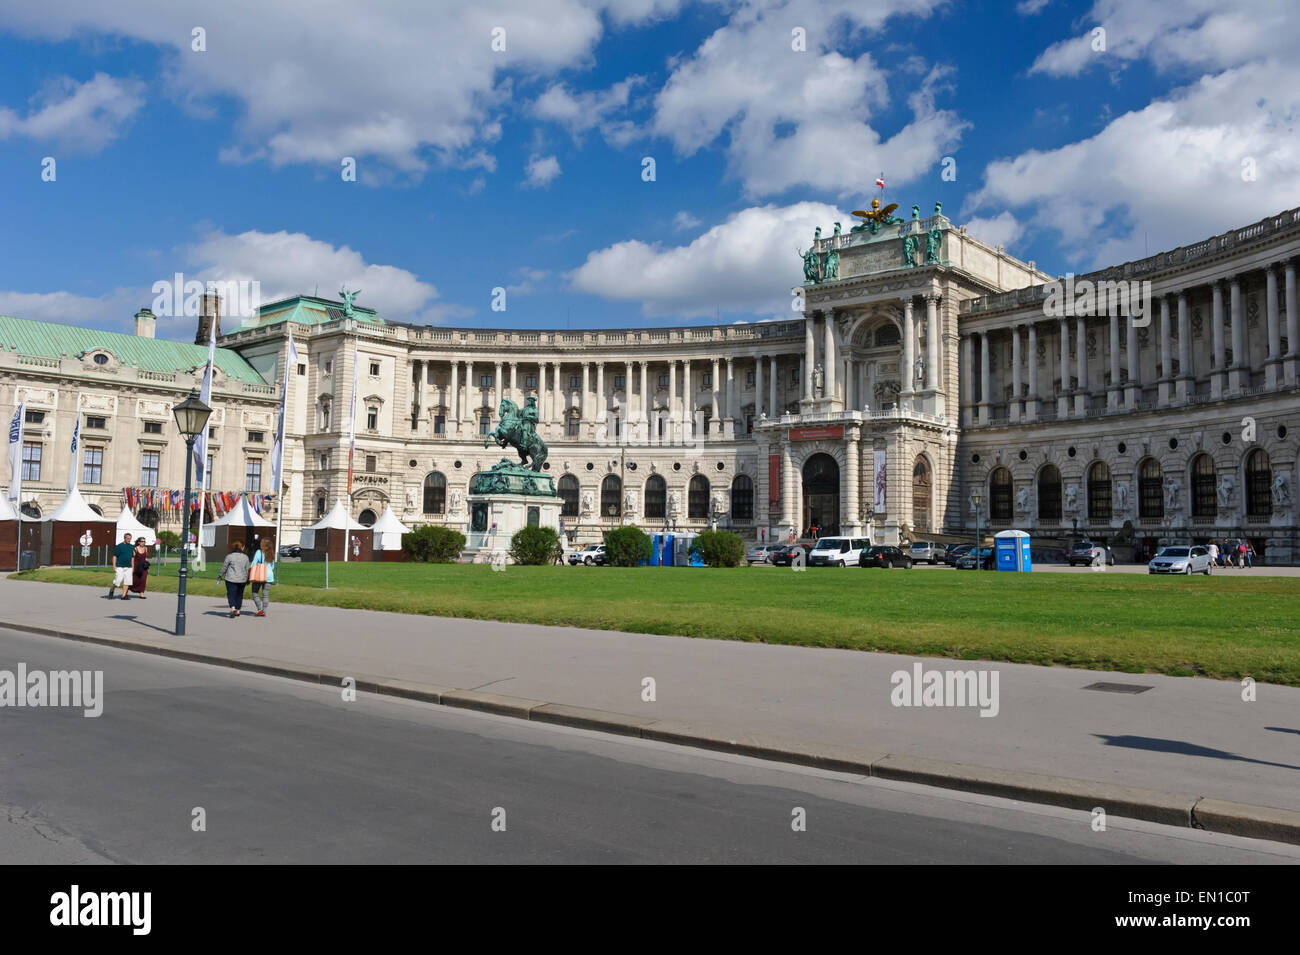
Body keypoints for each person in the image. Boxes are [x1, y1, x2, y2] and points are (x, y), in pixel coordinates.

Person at [217, 540, 251, 618]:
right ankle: (238, 610)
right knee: (239, 595)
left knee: (231, 594)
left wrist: (220, 575)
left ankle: (233, 609)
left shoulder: (229, 556)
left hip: (231, 579)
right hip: (242, 579)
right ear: (242, 547)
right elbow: (247, 569)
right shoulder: (245, 557)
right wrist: (248, 578)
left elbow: (224, 567)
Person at [250, 539, 275, 617]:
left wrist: (251, 570)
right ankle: (264, 611)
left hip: (259, 575)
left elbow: (254, 563)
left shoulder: (259, 552)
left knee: (254, 592)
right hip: (269, 576)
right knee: (265, 595)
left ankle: (259, 609)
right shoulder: (271, 553)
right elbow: (272, 566)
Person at [109, 531, 134, 599]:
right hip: (120, 566)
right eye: (128, 538)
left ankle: (124, 595)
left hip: (129, 567)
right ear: (124, 538)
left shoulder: (132, 547)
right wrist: (114, 566)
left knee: (127, 581)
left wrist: (133, 567)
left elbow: (132, 557)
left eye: (130, 538)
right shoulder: (119, 546)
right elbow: (114, 556)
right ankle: (112, 589)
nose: (129, 540)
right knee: (118, 581)